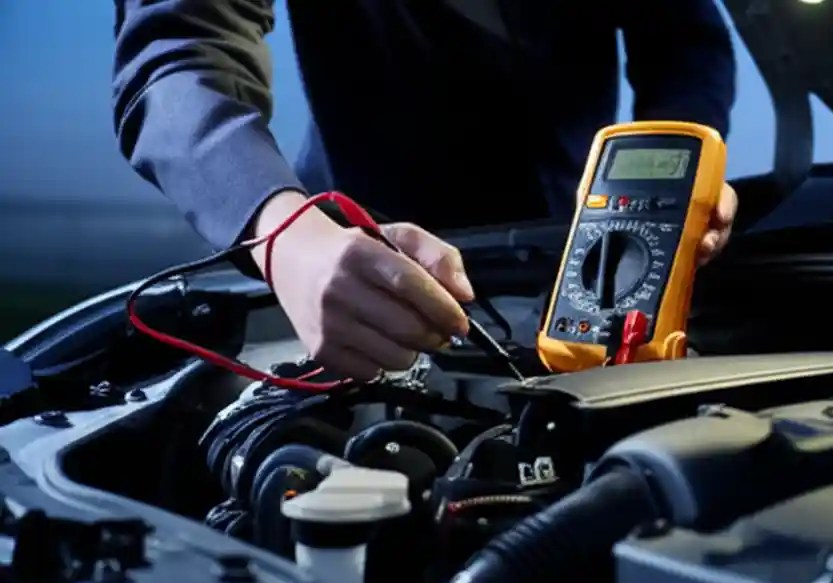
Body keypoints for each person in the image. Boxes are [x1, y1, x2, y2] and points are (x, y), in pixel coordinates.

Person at [111, 1, 740, 381]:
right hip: (354, 266)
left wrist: (671, 176)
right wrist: (289, 239)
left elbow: (687, 43)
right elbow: (177, 58)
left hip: (572, 253)